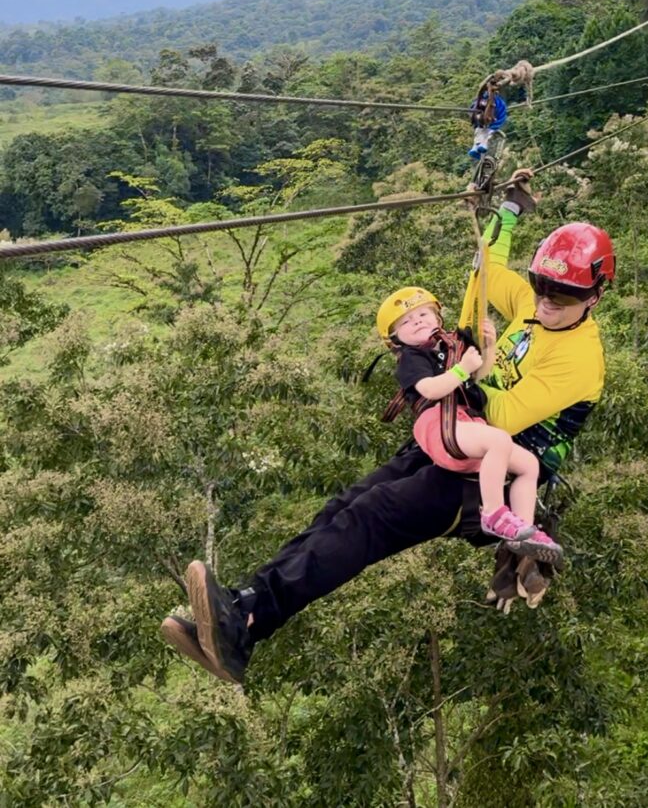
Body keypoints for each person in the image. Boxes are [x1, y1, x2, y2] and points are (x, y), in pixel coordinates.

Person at [161, 170, 615, 685]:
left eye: (562, 296)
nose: (545, 302)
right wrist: (507, 212)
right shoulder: (536, 309)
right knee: (345, 505)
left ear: (594, 297)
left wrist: (459, 371)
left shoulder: (580, 356)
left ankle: (244, 625)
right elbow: (485, 272)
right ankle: (243, 609)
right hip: (459, 434)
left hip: (496, 473)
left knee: (371, 518)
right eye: (541, 288)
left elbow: (506, 415)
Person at [377, 285, 563, 562]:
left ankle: (521, 529)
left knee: (528, 465)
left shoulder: (451, 347)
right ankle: (494, 514)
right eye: (406, 321)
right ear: (395, 339)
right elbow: (429, 389)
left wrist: (489, 345)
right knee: (498, 440)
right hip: (438, 423)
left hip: (464, 423)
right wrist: (461, 368)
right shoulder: (412, 358)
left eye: (423, 314)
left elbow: (480, 374)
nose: (416, 321)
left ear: (438, 318)